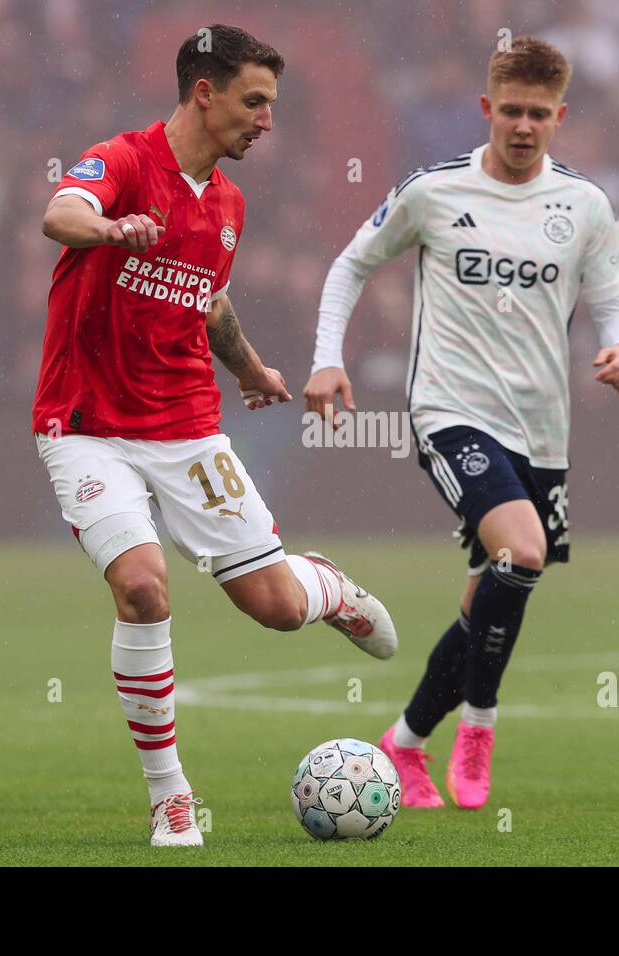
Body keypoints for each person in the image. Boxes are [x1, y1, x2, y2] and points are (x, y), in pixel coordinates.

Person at [33, 24, 397, 848]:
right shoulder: (124, 161)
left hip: (189, 426)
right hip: (86, 424)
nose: (267, 120)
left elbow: (209, 302)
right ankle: (170, 796)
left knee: (273, 607)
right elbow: (62, 214)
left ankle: (326, 589)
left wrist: (252, 370)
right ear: (206, 91)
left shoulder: (228, 202)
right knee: (143, 588)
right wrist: (109, 230)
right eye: (254, 101)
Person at [304, 37, 619, 809]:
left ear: (561, 117)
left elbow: (615, 298)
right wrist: (329, 358)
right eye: (511, 111)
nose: (524, 126)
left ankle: (406, 740)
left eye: (539, 114)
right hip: (450, 410)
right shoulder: (434, 191)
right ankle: (481, 728)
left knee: (492, 595)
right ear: (487, 109)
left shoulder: (583, 205)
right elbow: (352, 263)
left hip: (543, 429)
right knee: (520, 552)